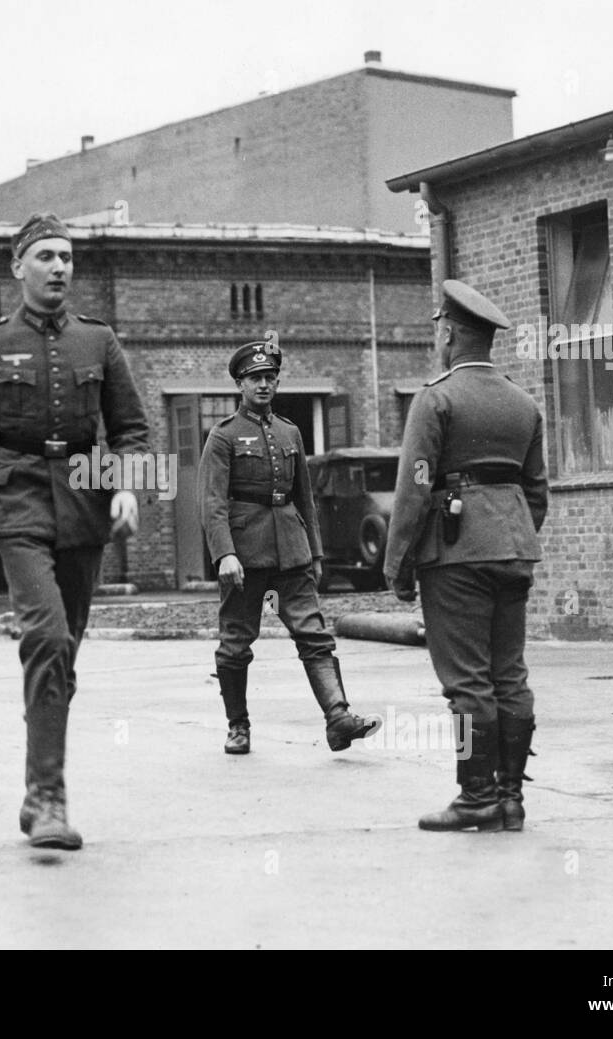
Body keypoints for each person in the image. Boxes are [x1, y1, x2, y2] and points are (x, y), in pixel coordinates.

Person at [0, 213, 149, 850]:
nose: (59, 267)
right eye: (45, 256)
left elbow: (131, 429)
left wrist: (125, 482)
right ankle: (46, 797)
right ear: (18, 268)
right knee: (44, 635)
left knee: (62, 657)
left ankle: (41, 782)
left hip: (85, 501)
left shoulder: (99, 341)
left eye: (66, 256)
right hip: (14, 500)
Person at [383, 279, 548, 833]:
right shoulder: (524, 403)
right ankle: (510, 798)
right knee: (510, 676)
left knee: (467, 683)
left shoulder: (437, 397)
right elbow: (537, 492)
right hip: (514, 550)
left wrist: (398, 564)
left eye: (439, 330)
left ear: (450, 333)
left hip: (454, 554)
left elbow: (413, 486)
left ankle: (476, 796)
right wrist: (511, 535)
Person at [199, 340, 381, 756]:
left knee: (315, 636)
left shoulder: (290, 432)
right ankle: (238, 726)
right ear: (240, 385)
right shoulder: (224, 436)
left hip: (292, 553)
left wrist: (315, 553)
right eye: (254, 378)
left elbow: (306, 500)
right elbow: (211, 502)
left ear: (277, 382)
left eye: (269, 378)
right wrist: (224, 553)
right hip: (244, 556)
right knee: (236, 642)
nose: (263, 385)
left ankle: (338, 719)